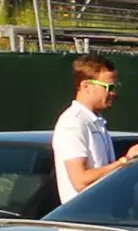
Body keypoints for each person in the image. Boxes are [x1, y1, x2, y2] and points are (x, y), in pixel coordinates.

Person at [50, 56, 120, 203]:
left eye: (115, 87)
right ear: (86, 86)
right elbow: (80, 180)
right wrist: (124, 162)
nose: (114, 93)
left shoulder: (95, 121)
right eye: (109, 87)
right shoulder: (73, 123)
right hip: (82, 222)